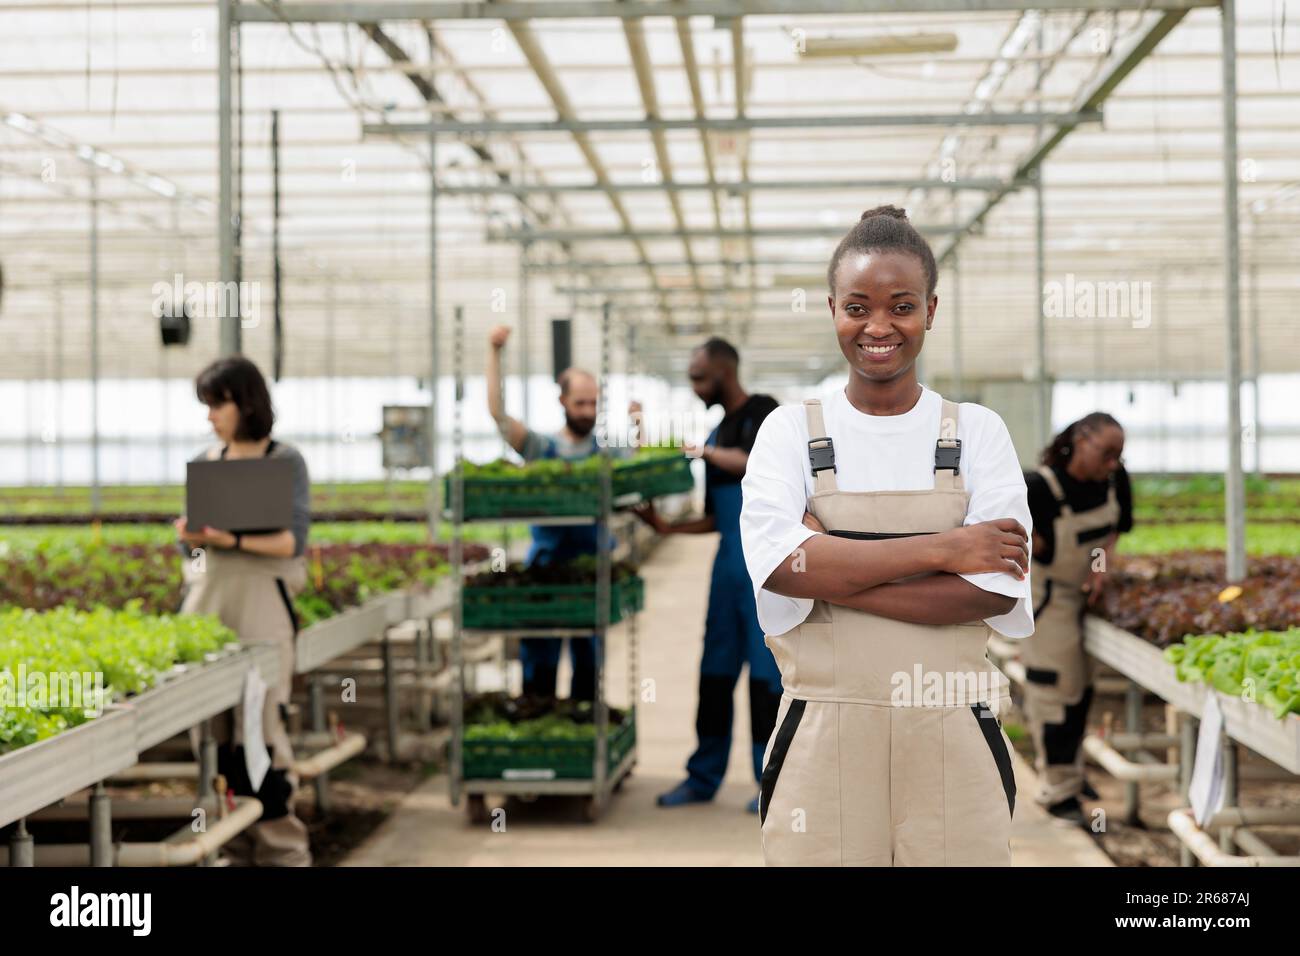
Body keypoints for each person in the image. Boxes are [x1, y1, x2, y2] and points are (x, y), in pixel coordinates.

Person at [739, 205, 1034, 867]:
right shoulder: (788, 432)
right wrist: (945, 548)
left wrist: (834, 563)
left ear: (930, 309)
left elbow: (991, 592)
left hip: (953, 731)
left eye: (900, 306)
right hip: (823, 735)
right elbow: (780, 568)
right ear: (832, 309)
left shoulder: (978, 432)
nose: (878, 327)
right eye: (857, 306)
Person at [633, 338, 782, 813]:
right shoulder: (716, 433)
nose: (695, 386)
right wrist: (667, 527)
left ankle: (771, 782)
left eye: (700, 376)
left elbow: (753, 462)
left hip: (766, 574)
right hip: (726, 571)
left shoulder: (766, 415)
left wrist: (702, 452)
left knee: (766, 680)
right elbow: (717, 517)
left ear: (724, 370)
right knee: (714, 675)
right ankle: (702, 776)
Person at [175, 355, 312, 867]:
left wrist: (228, 537)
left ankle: (282, 848)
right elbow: (195, 558)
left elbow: (291, 542)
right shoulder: (207, 463)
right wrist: (192, 539)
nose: (211, 416)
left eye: (218, 404)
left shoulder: (285, 460)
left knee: (261, 726)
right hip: (208, 609)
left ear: (246, 402)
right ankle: (224, 844)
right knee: (209, 735)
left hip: (263, 609)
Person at [485, 325, 637, 700]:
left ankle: (582, 734)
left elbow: (639, 473)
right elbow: (497, 415)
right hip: (546, 571)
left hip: (593, 570)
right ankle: (538, 729)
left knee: (588, 668)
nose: (587, 411)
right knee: (539, 664)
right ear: (562, 402)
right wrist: (494, 353)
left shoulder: (608, 455)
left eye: (593, 404)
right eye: (579, 403)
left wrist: (640, 427)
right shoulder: (540, 448)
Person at [1022, 413, 1132, 826]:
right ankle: (1056, 790)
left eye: (1118, 456)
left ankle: (1072, 772)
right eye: (1106, 454)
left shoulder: (1113, 480)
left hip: (1089, 595)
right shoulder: (1039, 488)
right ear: (1079, 440)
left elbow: (1114, 529)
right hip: (1050, 598)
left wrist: (1100, 568)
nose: (1113, 464)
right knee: (1055, 689)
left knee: (1084, 686)